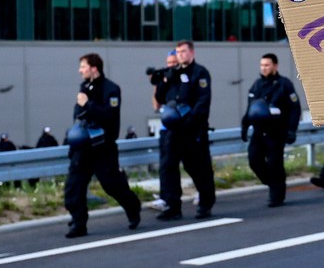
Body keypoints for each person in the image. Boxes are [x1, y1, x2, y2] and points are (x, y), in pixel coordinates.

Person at [63, 53, 142, 238]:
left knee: (112, 184)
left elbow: (109, 115)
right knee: (74, 186)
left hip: (103, 147)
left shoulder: (111, 89)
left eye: (83, 66)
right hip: (83, 147)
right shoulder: (84, 88)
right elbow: (78, 113)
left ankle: (132, 207)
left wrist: (88, 105)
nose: (80, 70)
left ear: (94, 68)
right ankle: (78, 223)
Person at [154, 40, 215, 221]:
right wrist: (165, 80)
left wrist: (188, 122)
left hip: (193, 128)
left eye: (183, 51)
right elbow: (160, 98)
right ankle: (173, 206)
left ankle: (205, 202)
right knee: (168, 166)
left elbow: (202, 103)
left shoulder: (200, 73)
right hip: (174, 129)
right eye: (178, 51)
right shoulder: (173, 74)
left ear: (191, 53)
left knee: (197, 167)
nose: (180, 54)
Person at [241, 53, 301, 208]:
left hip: (277, 131)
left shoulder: (284, 84)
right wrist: (244, 126)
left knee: (275, 163)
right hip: (259, 131)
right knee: (254, 160)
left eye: (267, 65)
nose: (264, 68)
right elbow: (250, 108)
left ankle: (277, 195)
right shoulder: (256, 85)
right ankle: (273, 183)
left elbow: (295, 108)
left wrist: (292, 130)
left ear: (275, 66)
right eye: (262, 65)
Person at [148, 50, 179, 212]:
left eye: (174, 63)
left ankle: (203, 192)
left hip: (185, 127)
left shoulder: (186, 79)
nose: (171, 67)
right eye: (169, 64)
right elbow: (156, 105)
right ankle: (167, 197)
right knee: (166, 164)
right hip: (167, 127)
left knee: (193, 164)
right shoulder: (165, 80)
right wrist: (157, 83)